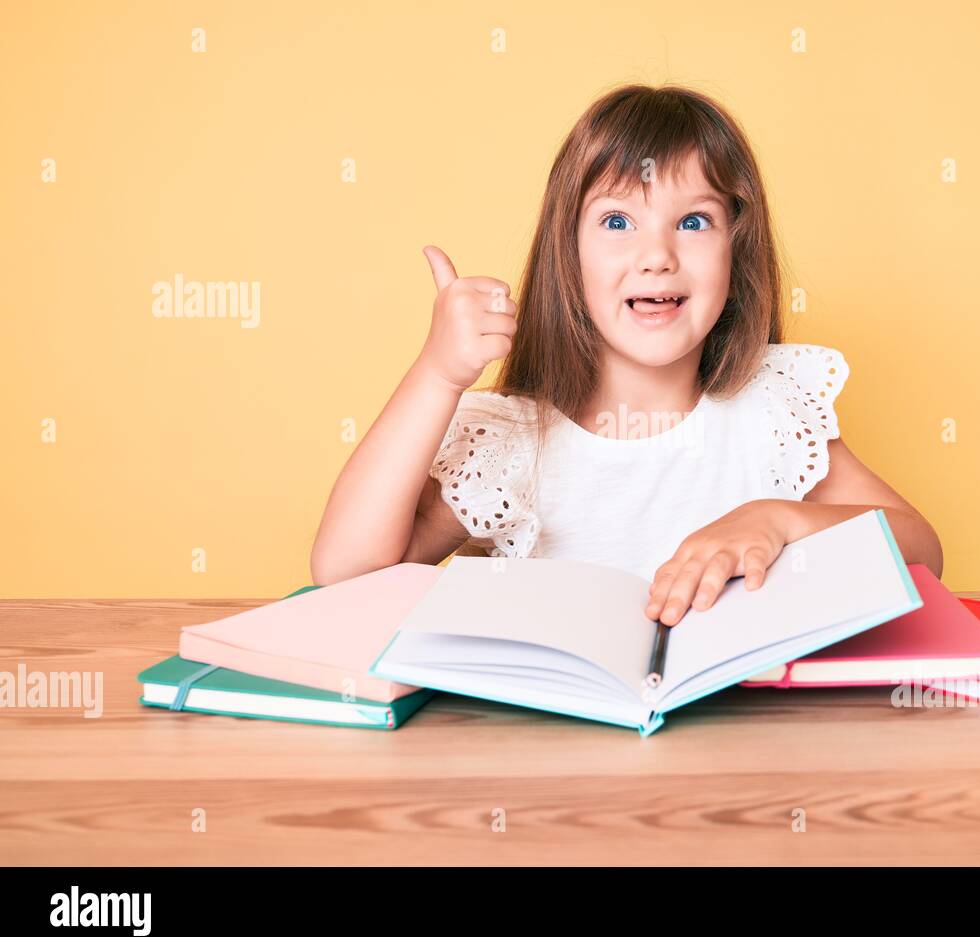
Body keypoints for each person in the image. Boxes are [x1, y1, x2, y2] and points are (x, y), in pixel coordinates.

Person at [311, 84, 943, 628]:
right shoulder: (512, 443)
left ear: (736, 252)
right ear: (568, 254)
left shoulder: (771, 409)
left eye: (693, 223)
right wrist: (437, 375)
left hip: (741, 753)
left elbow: (921, 552)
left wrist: (776, 521)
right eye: (618, 222)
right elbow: (346, 572)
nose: (657, 254)